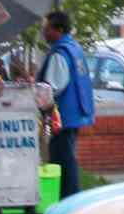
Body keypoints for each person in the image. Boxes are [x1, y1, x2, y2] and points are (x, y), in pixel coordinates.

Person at [36, 11, 95, 198]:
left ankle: (68, 198)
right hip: (75, 114)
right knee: (68, 157)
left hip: (60, 117)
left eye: (47, 29)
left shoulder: (60, 53)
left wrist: (35, 96)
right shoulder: (74, 48)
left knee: (62, 160)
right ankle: (71, 196)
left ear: (58, 30)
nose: (44, 34)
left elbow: (52, 87)